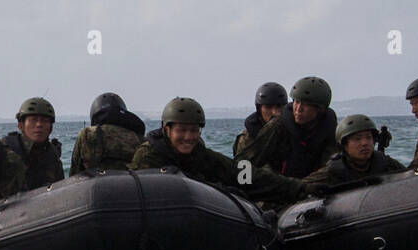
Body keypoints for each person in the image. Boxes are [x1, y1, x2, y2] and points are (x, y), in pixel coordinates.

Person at [129, 97, 307, 205]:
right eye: (181, 130)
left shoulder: (200, 155)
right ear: (166, 130)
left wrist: (298, 187)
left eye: (194, 130)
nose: (188, 137)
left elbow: (242, 173)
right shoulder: (148, 156)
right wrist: (220, 191)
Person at [235, 76, 338, 178]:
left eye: (306, 104)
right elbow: (245, 164)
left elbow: (333, 166)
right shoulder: (278, 125)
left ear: (320, 109)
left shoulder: (330, 130)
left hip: (308, 186)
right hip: (277, 185)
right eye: (296, 102)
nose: (298, 109)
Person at [303, 115, 406, 193]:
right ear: (344, 145)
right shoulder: (333, 171)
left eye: (368, 137)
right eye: (357, 139)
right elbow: (301, 187)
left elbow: (410, 177)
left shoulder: (386, 163)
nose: (364, 143)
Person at [69, 92, 145, 175]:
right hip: (131, 185)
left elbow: (74, 176)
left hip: (96, 186)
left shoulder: (88, 134)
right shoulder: (140, 138)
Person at [2, 97, 65, 189]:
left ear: (51, 128)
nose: (39, 124)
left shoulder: (53, 155)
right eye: (33, 120)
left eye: (45, 120)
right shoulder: (5, 150)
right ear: (20, 125)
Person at [233, 81, 287, 156]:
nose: (274, 112)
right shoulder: (246, 139)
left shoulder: (292, 132)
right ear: (259, 109)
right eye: (268, 107)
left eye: (278, 106)